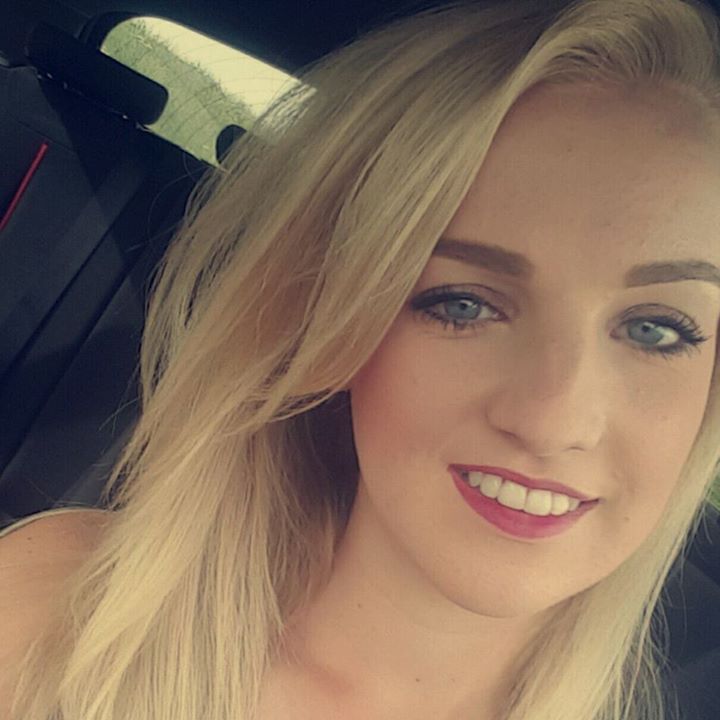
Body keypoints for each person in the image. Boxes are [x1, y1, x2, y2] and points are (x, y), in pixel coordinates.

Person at [7, 1, 720, 719]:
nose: (554, 421)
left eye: (656, 330)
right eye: (463, 305)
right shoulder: (56, 612)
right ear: (333, 318)